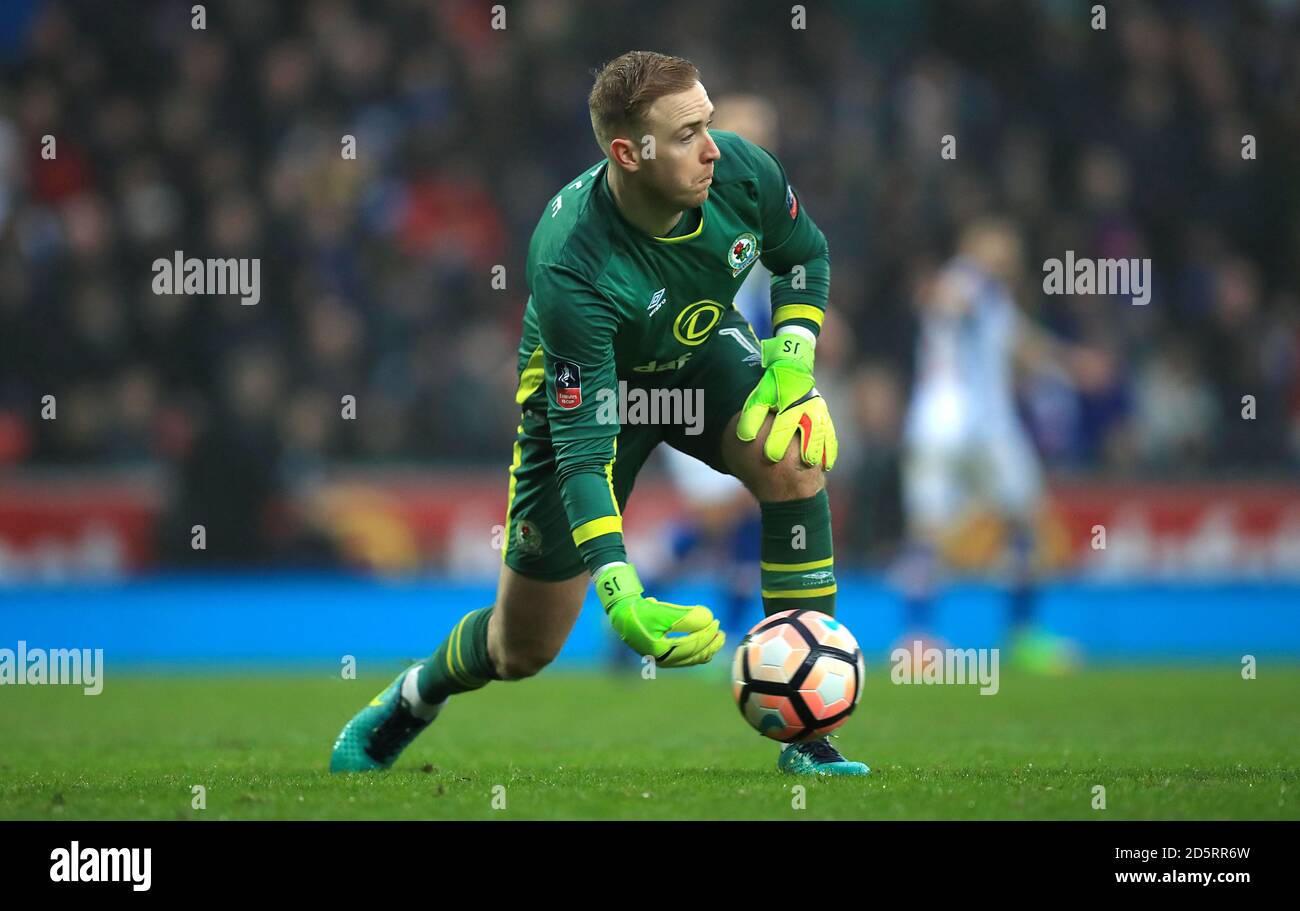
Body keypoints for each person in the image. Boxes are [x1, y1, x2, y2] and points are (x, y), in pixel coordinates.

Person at [331, 51, 866, 776]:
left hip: (697, 356)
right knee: (520, 651)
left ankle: (808, 735)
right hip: (591, 401)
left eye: (708, 122)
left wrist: (794, 354)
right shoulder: (572, 263)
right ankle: (411, 695)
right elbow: (585, 453)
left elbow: (804, 255)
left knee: (795, 458)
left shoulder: (742, 171)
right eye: (687, 135)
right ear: (628, 152)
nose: (713, 146)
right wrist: (620, 593)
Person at [899, 217, 1109, 673]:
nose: (1007, 252)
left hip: (992, 426)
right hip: (946, 421)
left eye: (1010, 246)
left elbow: (1022, 344)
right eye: (998, 243)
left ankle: (1022, 634)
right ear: (974, 243)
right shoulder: (964, 281)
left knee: (1025, 521)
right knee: (929, 529)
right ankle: (919, 640)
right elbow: (946, 300)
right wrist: (947, 298)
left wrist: (1073, 366)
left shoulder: (995, 297)